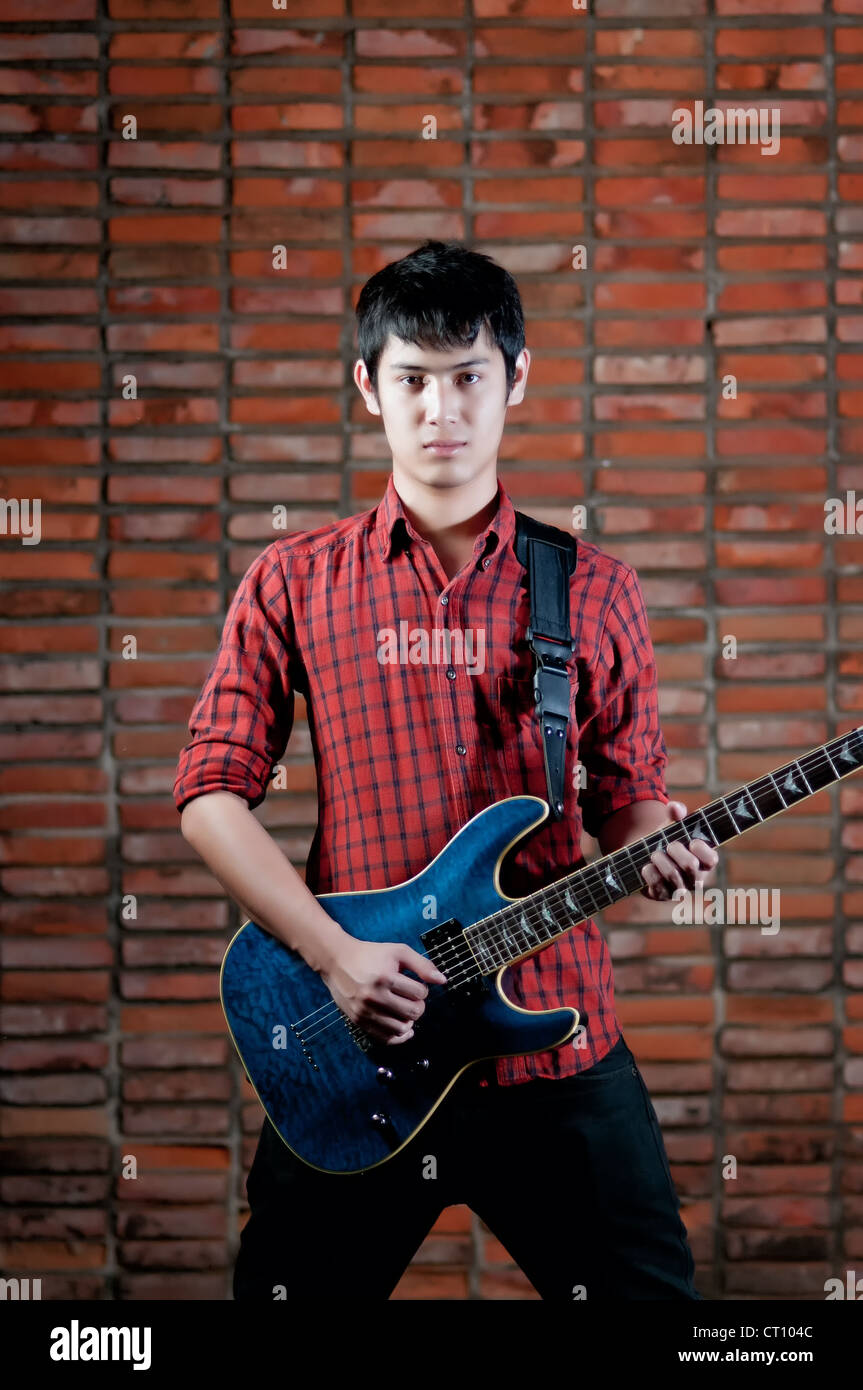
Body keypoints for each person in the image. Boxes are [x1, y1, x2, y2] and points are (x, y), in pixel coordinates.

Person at [173, 239, 719, 1301]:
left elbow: (626, 799)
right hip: (358, 1041)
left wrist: (656, 845)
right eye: (412, 381)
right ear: (367, 386)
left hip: (554, 1043)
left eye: (468, 377)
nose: (441, 411)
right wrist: (333, 955)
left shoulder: (594, 590)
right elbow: (209, 794)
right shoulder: (293, 580)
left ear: (515, 378)